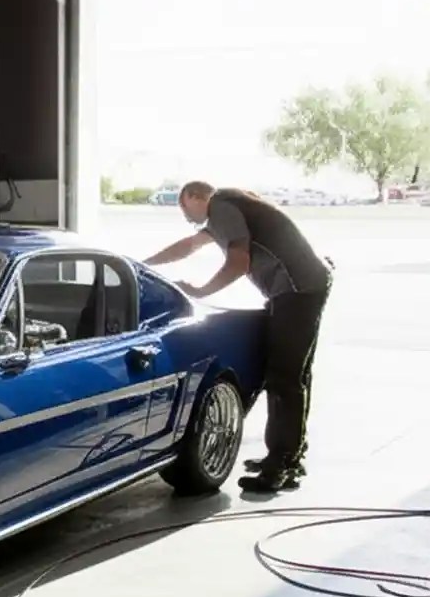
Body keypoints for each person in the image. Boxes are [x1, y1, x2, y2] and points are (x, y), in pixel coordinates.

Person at [143, 181, 333, 493]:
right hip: (302, 287)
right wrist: (145, 265)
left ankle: (281, 464)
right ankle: (290, 455)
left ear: (195, 196)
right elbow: (188, 246)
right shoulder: (232, 207)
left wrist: (201, 291)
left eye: (184, 207)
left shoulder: (222, 208)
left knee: (284, 377)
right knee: (296, 376)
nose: (187, 216)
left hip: (297, 291)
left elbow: (238, 262)